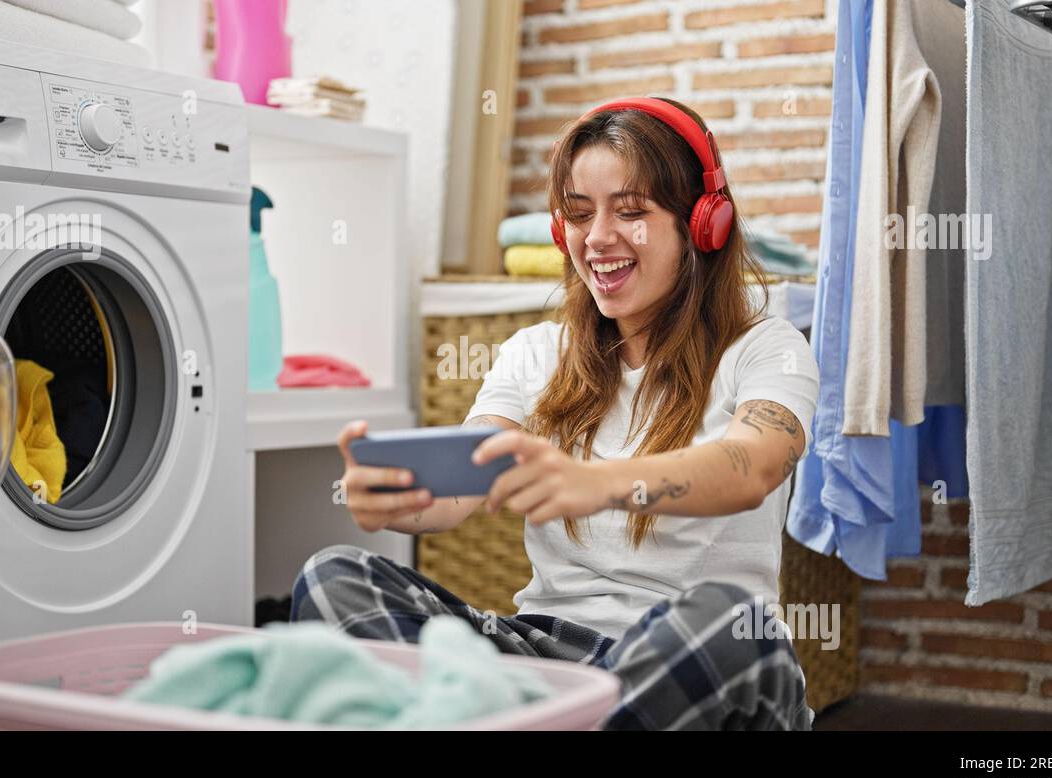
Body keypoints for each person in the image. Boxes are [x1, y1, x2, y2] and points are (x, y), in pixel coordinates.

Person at [291, 96, 820, 730]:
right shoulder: (536, 354)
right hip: (549, 662)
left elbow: (750, 468)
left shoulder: (767, 347)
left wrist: (594, 483)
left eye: (631, 212)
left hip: (693, 659)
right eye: (577, 214)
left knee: (734, 621)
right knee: (334, 578)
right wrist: (404, 496)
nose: (597, 239)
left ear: (702, 224)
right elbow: (467, 476)